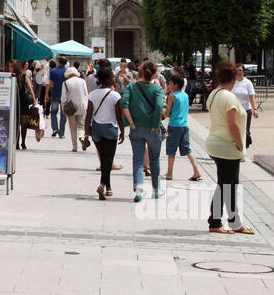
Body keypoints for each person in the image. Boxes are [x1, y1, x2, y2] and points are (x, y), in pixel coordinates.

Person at [205, 60, 253, 234]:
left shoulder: (214, 94)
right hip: (227, 145)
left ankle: (235, 221)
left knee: (231, 184)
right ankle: (215, 222)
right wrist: (240, 145)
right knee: (225, 185)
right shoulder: (229, 97)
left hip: (216, 142)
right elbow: (233, 125)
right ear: (233, 78)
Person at [121, 60, 165, 201]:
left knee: (138, 159)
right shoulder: (157, 89)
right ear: (154, 74)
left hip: (136, 128)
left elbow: (124, 104)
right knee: (154, 159)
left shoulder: (132, 87)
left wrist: (131, 122)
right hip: (152, 128)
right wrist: (155, 123)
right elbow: (159, 107)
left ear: (139, 72)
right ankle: (156, 189)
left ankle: (139, 189)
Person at [83, 66, 125, 199]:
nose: (114, 79)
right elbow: (119, 116)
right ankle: (102, 184)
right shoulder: (115, 95)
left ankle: (108, 187)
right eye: (113, 77)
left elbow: (88, 116)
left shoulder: (93, 94)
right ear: (107, 79)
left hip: (96, 130)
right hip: (110, 129)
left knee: (104, 160)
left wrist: (86, 134)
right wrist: (122, 131)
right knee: (108, 159)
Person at [163, 72, 202, 183]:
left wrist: (163, 113)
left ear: (175, 85)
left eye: (170, 83)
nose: (169, 85)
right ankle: (196, 171)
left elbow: (167, 113)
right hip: (184, 125)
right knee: (187, 149)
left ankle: (170, 173)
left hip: (174, 125)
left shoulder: (172, 96)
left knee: (171, 150)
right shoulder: (185, 95)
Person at [60, 65, 89, 152]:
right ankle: (82, 137)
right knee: (81, 125)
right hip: (82, 106)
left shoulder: (66, 83)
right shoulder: (82, 81)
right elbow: (86, 94)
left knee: (73, 127)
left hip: (71, 108)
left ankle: (74, 146)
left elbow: (63, 98)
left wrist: (63, 108)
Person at [232, 65, 259, 152]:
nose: (238, 72)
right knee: (235, 130)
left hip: (245, 110)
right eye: (237, 70)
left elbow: (252, 97)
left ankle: (242, 150)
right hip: (234, 110)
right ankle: (235, 149)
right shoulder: (232, 82)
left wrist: (255, 109)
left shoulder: (247, 83)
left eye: (240, 70)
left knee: (245, 131)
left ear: (243, 72)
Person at [49, 57, 68, 138]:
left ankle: (55, 128)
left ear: (58, 61)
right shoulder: (67, 71)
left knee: (53, 112)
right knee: (64, 114)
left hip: (55, 94)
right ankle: (62, 133)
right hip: (65, 95)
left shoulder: (53, 71)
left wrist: (48, 93)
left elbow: (51, 84)